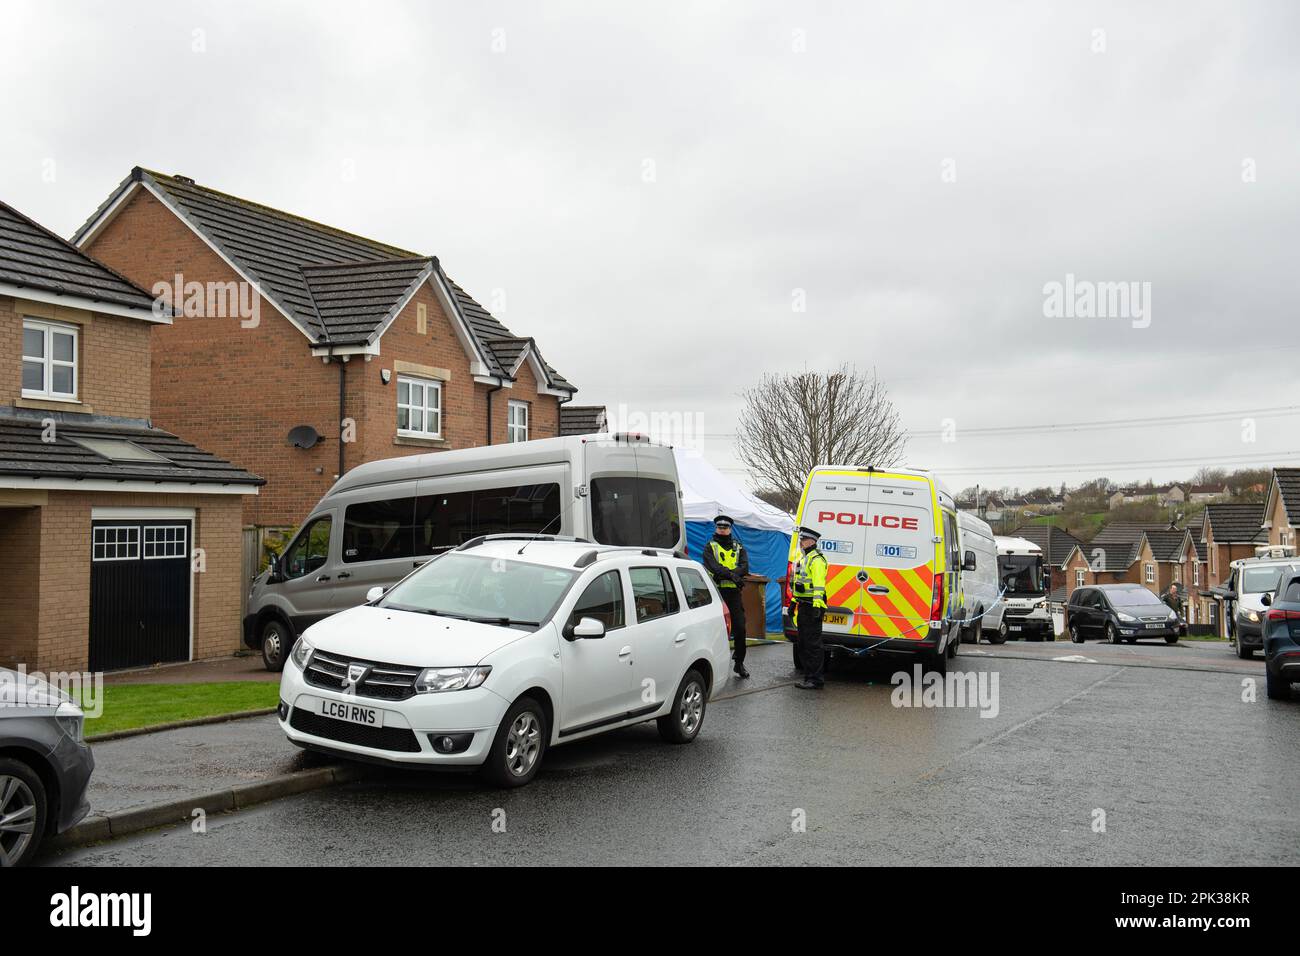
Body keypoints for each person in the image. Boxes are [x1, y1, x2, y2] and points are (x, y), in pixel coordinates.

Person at [703, 514, 750, 679]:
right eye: (719, 527)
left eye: (725, 527)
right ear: (716, 528)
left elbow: (745, 566)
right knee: (717, 631)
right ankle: (712, 666)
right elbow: (713, 567)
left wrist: (733, 575)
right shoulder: (710, 547)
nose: (722, 530)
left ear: (730, 529)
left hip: (734, 594)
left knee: (740, 628)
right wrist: (733, 576)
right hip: (716, 595)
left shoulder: (739, 547)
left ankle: (739, 662)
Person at [791, 526, 828, 690]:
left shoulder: (817, 560)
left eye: (803, 540)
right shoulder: (804, 559)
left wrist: (817, 607)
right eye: (800, 540)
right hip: (803, 605)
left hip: (812, 606)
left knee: (813, 644)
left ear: (812, 541)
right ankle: (809, 676)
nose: (801, 542)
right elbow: (799, 584)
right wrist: (793, 602)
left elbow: (819, 586)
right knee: (803, 643)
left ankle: (816, 679)